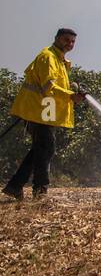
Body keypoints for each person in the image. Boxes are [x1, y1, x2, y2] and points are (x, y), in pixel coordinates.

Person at [3, 29, 86, 201]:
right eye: (66, 40)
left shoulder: (59, 60)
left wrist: (73, 93)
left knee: (40, 150)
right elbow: (49, 87)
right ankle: (40, 192)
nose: (69, 44)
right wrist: (71, 96)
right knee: (46, 149)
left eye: (72, 41)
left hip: (44, 112)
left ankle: (15, 186)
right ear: (56, 39)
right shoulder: (48, 57)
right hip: (37, 112)